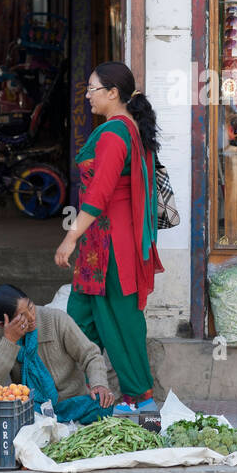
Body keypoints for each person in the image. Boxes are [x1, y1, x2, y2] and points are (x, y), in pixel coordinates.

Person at [54, 62, 164, 415]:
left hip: (109, 247)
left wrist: (70, 237)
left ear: (113, 93)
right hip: (102, 245)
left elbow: (98, 195)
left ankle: (139, 397)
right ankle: (65, 392)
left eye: (93, 89)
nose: (87, 96)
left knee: (120, 321)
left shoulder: (116, 134)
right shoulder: (127, 129)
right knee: (78, 320)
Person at [0, 284, 118, 424]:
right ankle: (50, 426)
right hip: (30, 409)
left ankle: (52, 426)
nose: (31, 317)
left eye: (30, 306)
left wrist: (99, 384)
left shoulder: (55, 319)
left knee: (102, 404)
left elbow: (91, 355)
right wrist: (9, 342)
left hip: (71, 402)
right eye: (21, 316)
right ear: (3, 324)